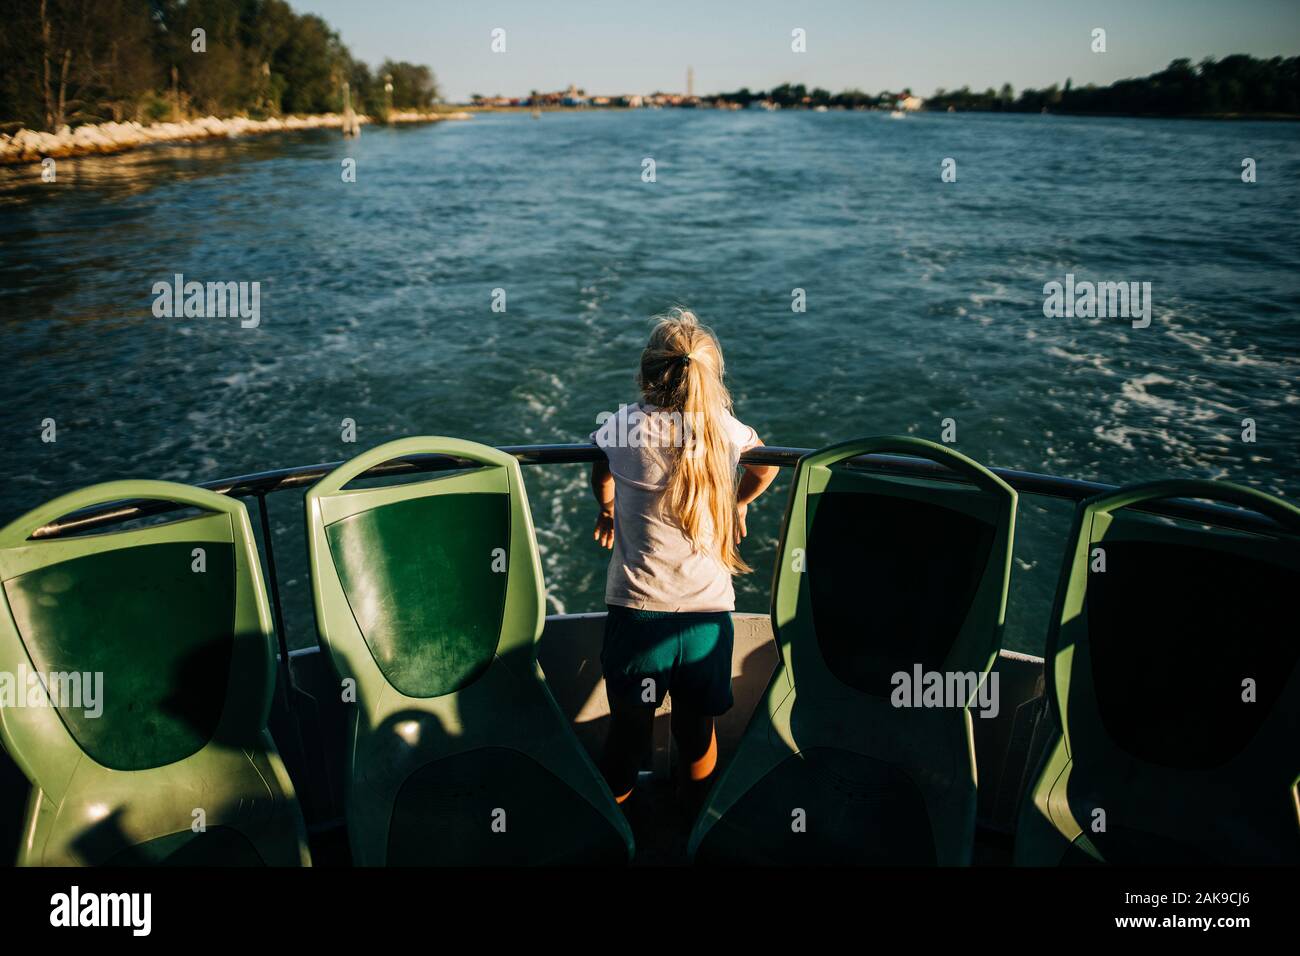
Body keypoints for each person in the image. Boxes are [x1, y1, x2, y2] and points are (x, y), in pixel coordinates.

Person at [588, 307, 779, 814]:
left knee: (628, 736)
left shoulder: (624, 425)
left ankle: (619, 831)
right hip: (707, 620)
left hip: (637, 615)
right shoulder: (726, 430)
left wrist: (607, 508)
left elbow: (600, 468)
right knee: (698, 733)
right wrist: (737, 502)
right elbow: (766, 468)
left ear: (646, 374)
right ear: (710, 376)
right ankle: (694, 824)